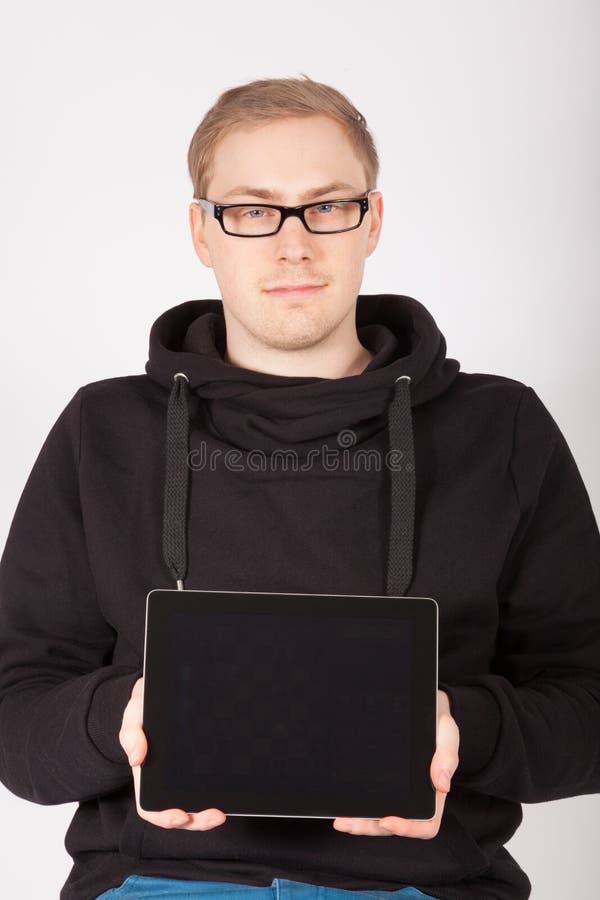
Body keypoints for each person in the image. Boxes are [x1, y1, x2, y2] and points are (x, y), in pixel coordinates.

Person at [0, 74, 599, 900]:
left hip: (422, 888)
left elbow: (589, 701)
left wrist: (468, 731)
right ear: (203, 234)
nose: (294, 245)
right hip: (159, 880)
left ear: (372, 221)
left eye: (326, 206)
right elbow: (15, 711)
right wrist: (121, 719)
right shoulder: (102, 431)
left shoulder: (502, 428)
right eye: (251, 211)